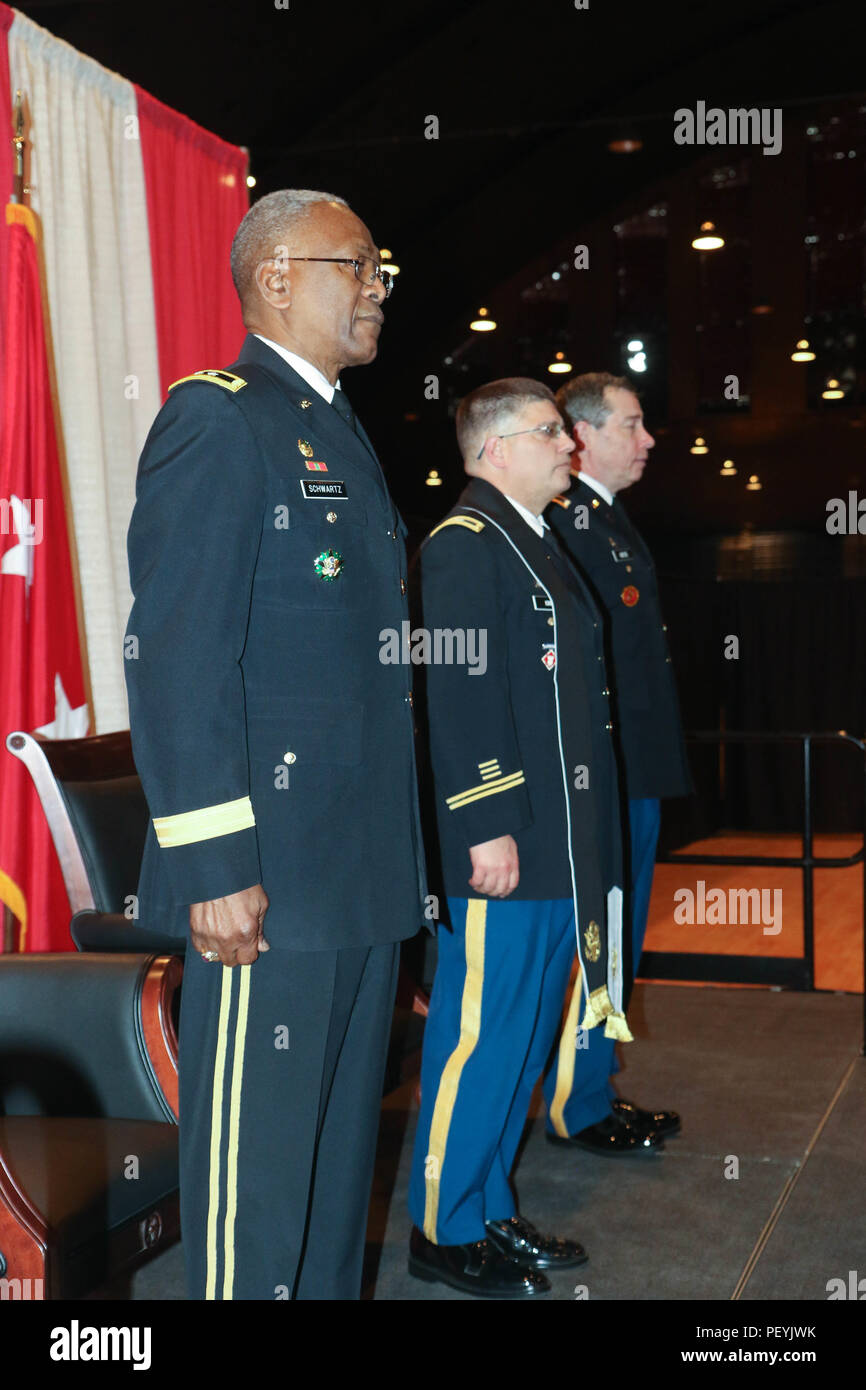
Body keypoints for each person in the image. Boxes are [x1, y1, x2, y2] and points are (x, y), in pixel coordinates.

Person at [124, 189, 427, 1300]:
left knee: (331, 1183)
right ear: (279, 276)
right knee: (251, 1200)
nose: (379, 287)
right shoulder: (220, 417)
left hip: (354, 876)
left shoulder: (335, 429)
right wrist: (215, 866)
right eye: (362, 264)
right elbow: (179, 655)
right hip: (269, 882)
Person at [407, 378, 630, 1298]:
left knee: (526, 1032)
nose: (568, 448)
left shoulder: (532, 540)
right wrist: (486, 821)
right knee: (479, 1037)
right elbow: (460, 698)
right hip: (508, 842)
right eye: (550, 433)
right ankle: (443, 1228)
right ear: (496, 448)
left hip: (558, 842)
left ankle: (489, 1208)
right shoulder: (465, 544)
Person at [542, 372, 691, 1156]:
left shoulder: (605, 521)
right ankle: (579, 1101)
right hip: (604, 771)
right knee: (598, 937)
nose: (648, 440)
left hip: (633, 766)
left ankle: (592, 1090)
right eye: (632, 425)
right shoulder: (568, 522)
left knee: (619, 936)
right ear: (583, 435)